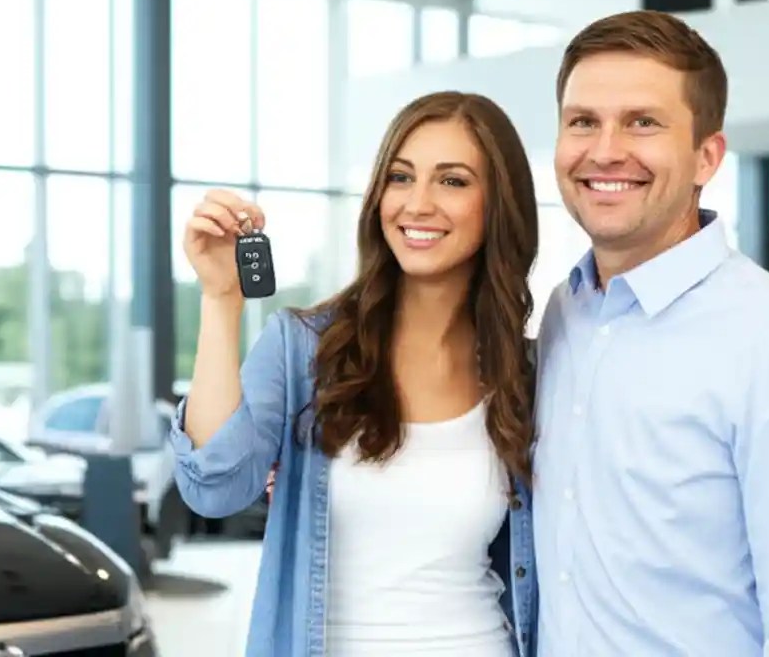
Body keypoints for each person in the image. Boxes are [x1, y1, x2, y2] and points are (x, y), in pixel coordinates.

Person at [533, 9, 769, 656]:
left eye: (643, 123)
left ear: (706, 157)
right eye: (583, 121)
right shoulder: (563, 315)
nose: (605, 151)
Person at [168, 90, 541, 657]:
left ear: (498, 205)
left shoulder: (527, 372)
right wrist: (221, 300)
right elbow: (215, 489)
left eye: (453, 181)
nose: (418, 203)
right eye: (400, 177)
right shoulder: (304, 350)